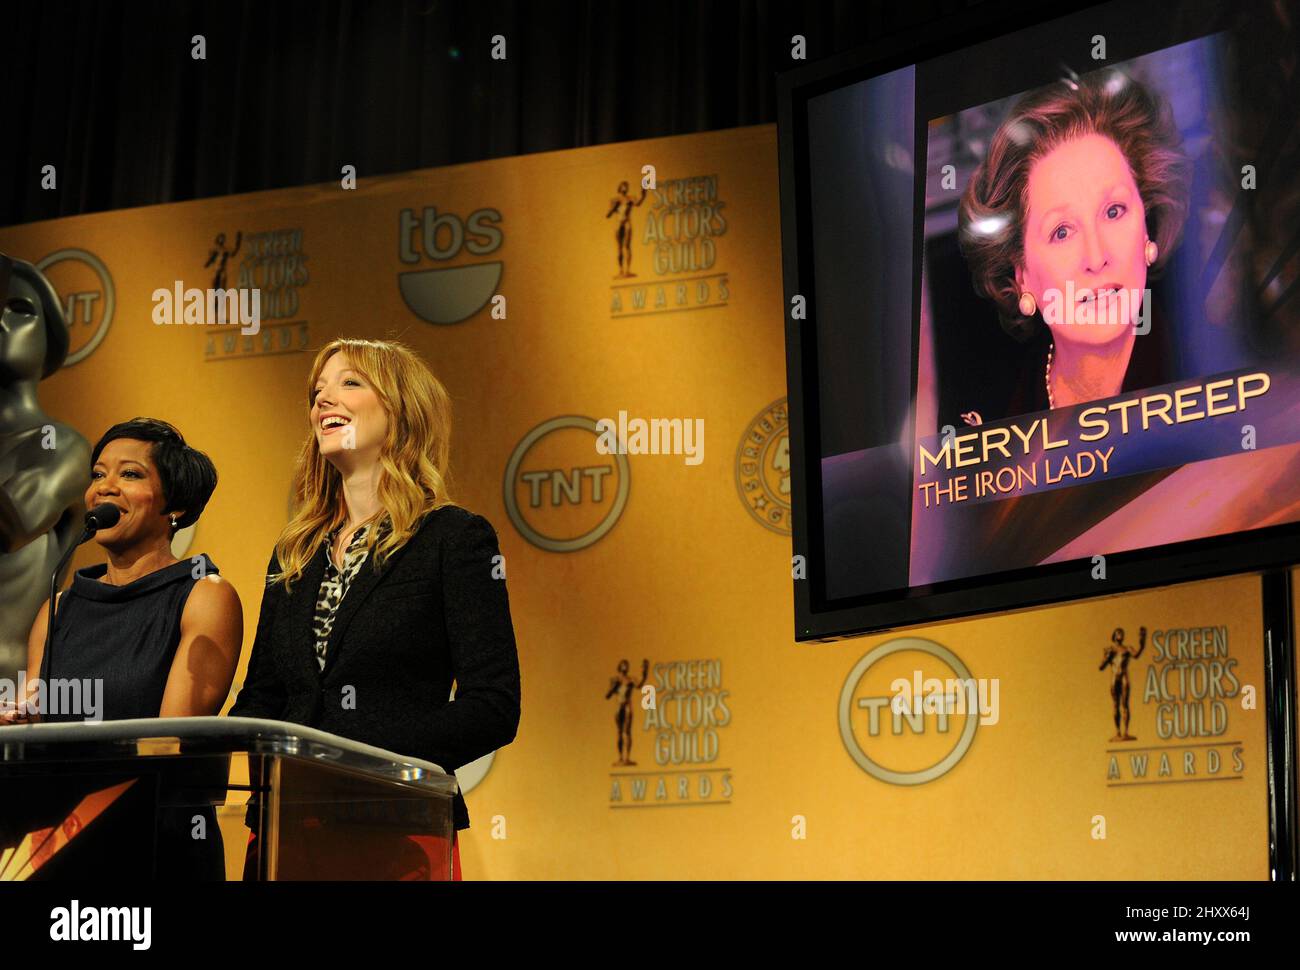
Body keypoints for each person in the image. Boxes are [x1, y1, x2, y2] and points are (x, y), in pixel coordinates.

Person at [229, 337, 521, 880]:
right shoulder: (293, 552)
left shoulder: (453, 539)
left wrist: (363, 764)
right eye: (317, 391)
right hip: (280, 829)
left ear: (401, 412)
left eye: (349, 383)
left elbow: (493, 706)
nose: (323, 400)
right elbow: (263, 696)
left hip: (394, 826)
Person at [6, 417, 242, 878]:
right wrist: (20, 719)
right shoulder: (59, 605)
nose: (105, 488)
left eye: (130, 474)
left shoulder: (204, 594)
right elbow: (34, 716)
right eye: (97, 475)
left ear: (176, 504)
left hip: (153, 843)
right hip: (56, 840)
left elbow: (172, 744)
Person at [957, 67, 1191, 424]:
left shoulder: (1208, 366)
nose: (1096, 258)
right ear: (1021, 277)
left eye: (1114, 211)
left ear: (1146, 230)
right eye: (1062, 232)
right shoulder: (988, 422)